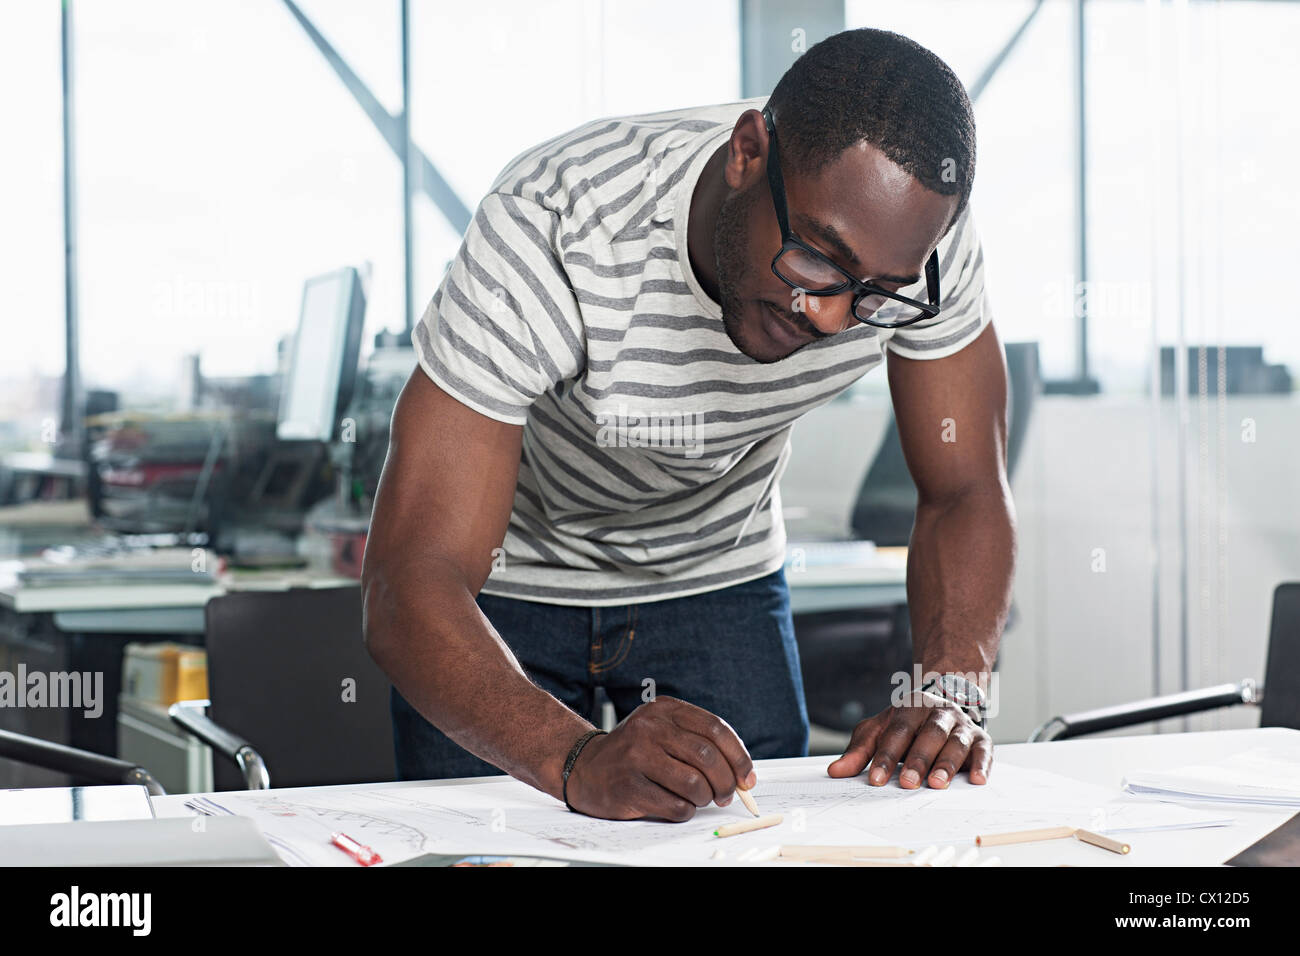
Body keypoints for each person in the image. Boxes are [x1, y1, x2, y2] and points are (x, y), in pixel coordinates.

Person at [363, 27, 1016, 822]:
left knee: (759, 846)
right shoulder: (558, 222)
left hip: (720, 574)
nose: (834, 316)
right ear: (747, 153)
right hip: (502, 586)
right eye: (817, 258)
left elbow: (966, 489)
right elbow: (411, 576)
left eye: (875, 292)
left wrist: (950, 690)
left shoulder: (921, 251)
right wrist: (575, 759)